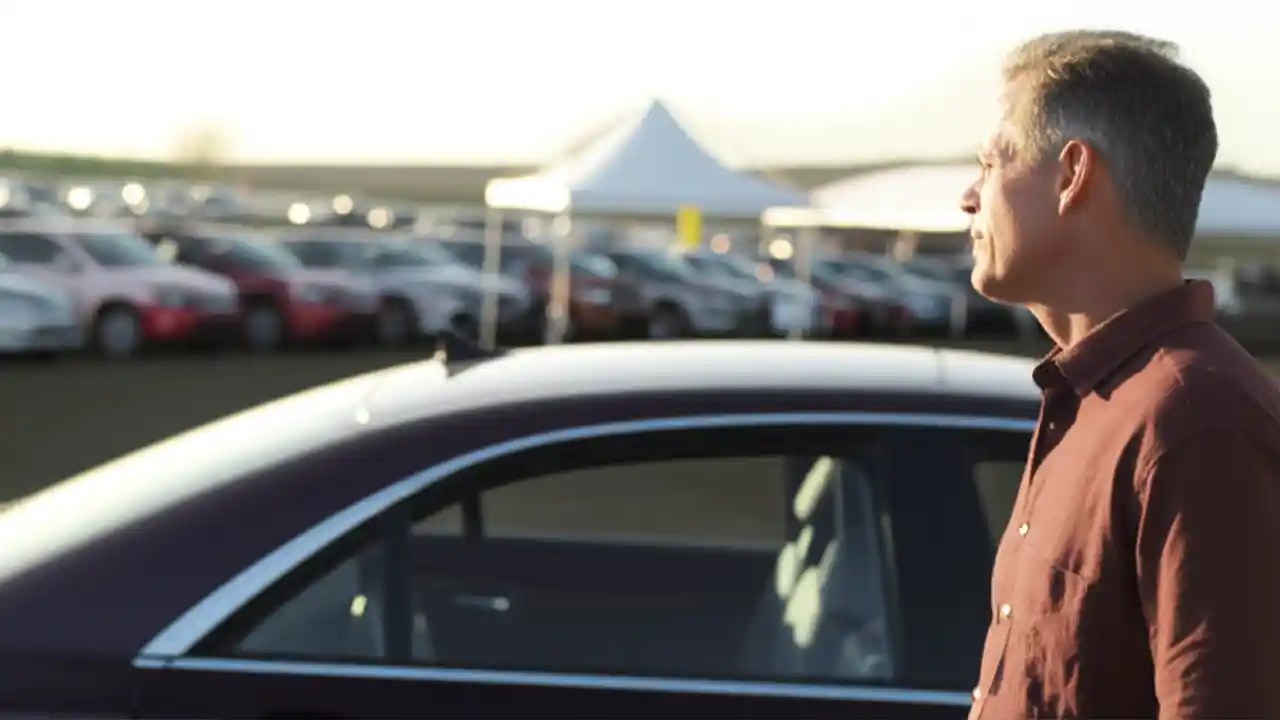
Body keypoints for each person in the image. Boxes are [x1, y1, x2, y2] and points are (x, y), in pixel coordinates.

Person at [960, 30, 1280, 719]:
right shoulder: (1094, 402)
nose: (968, 196)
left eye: (993, 161)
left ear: (1073, 174)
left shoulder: (1196, 421)